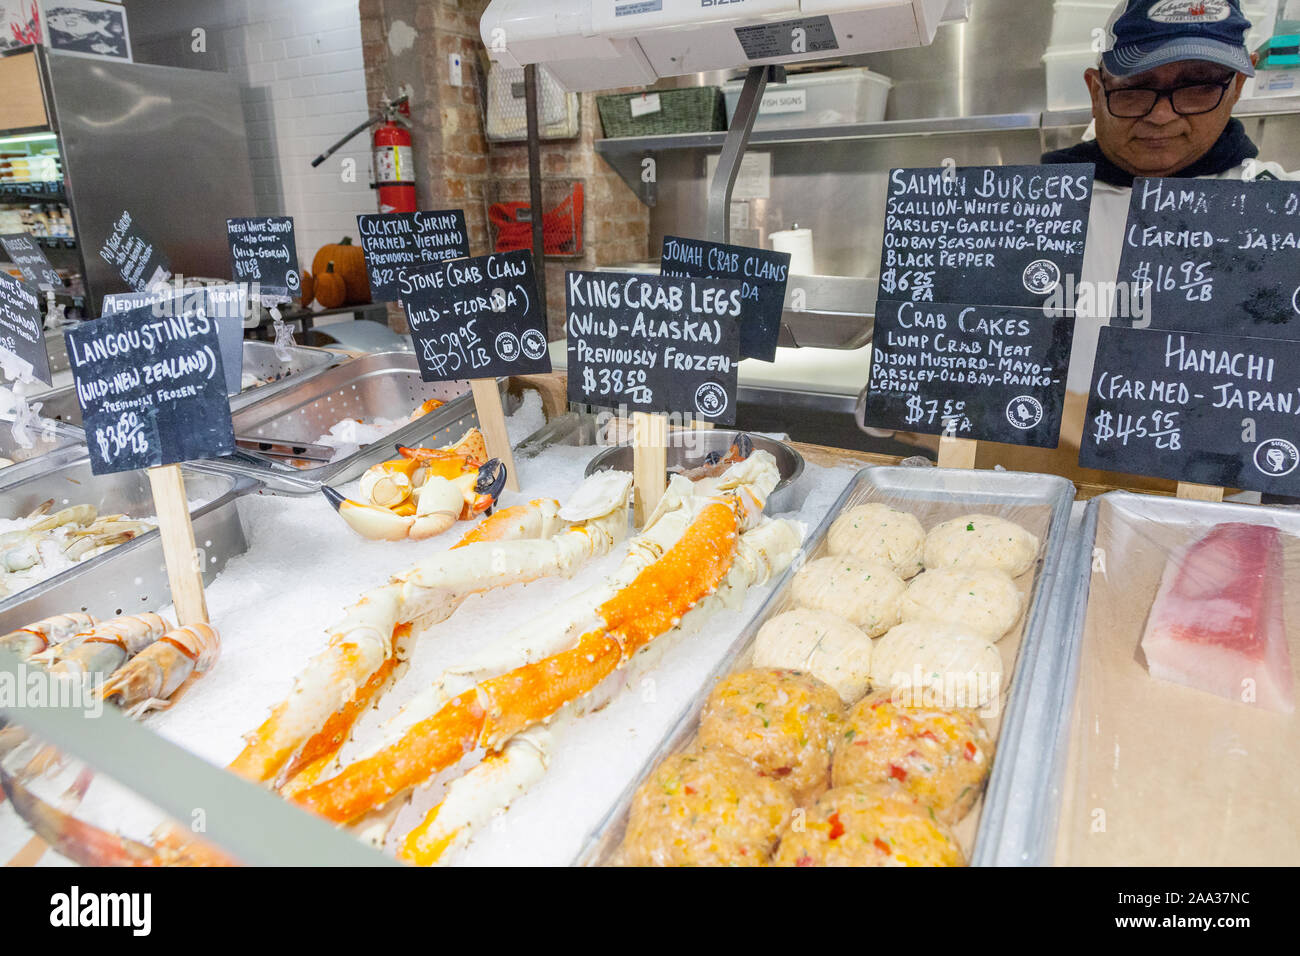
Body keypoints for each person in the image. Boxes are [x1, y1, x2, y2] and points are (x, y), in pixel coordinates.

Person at [980, 0, 1299, 490]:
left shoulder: (1280, 215)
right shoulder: (1012, 212)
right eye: (1135, 89)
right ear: (1095, 89)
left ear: (1237, 86)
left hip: (1209, 532)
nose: (1161, 117)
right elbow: (918, 384)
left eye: (1197, 86)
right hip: (1034, 506)